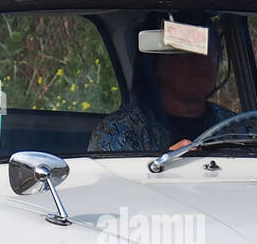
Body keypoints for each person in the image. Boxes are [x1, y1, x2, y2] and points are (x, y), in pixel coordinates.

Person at [88, 19, 232, 154]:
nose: (202, 62)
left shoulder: (235, 126)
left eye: (208, 51)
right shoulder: (118, 132)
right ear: (155, 65)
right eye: (184, 53)